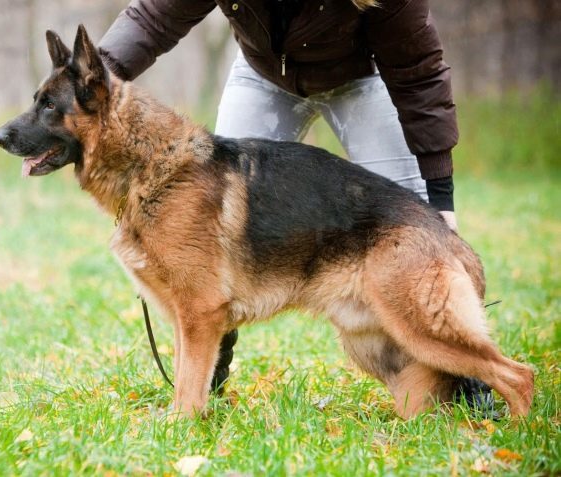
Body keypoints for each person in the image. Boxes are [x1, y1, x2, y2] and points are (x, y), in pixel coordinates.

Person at [98, 0, 483, 401]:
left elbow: (420, 72)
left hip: (362, 77)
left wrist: (440, 197)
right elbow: (154, 17)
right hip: (264, 75)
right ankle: (206, 378)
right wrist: (91, 74)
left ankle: (468, 378)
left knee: (420, 232)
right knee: (208, 235)